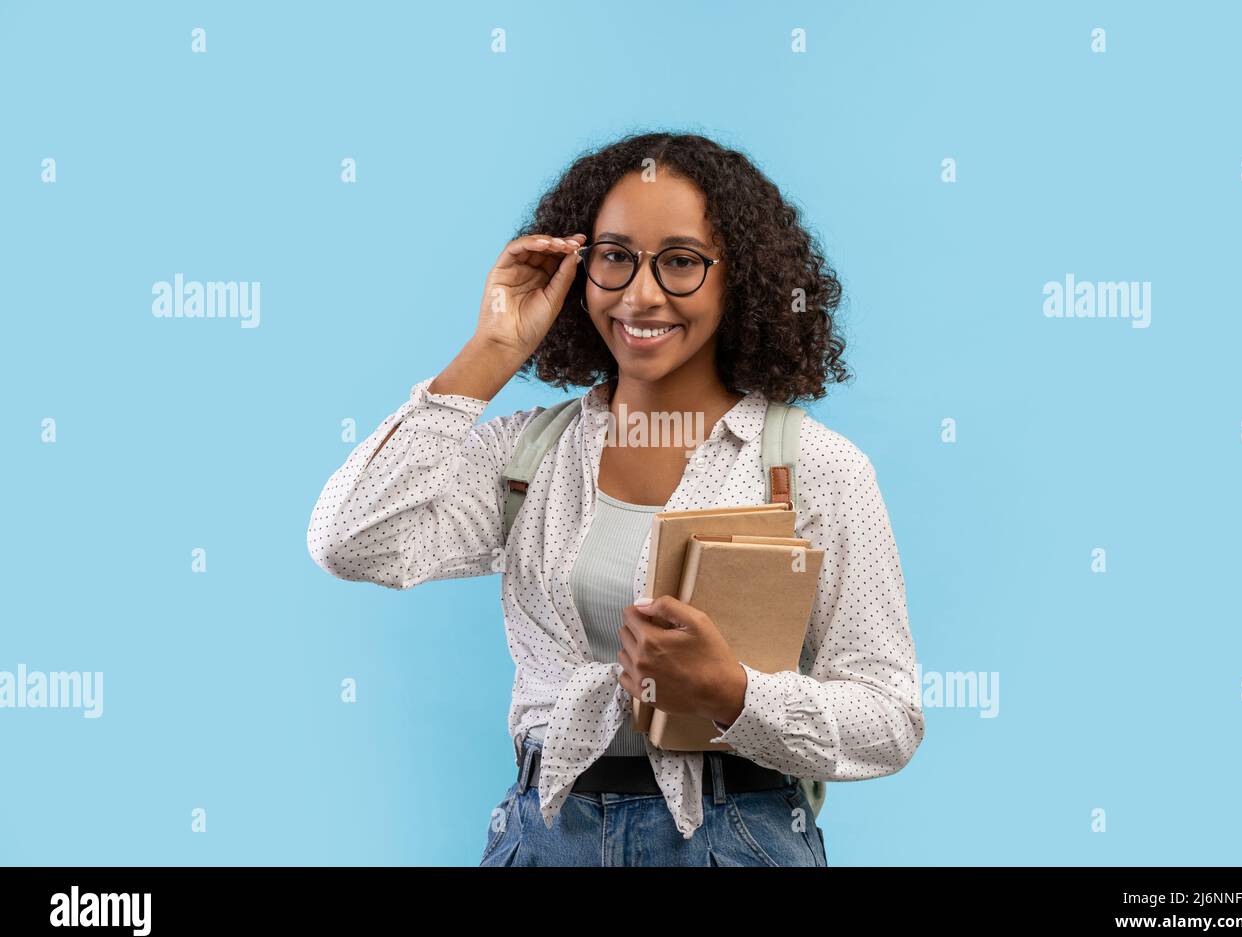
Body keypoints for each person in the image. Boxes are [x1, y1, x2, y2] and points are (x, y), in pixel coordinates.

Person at [306, 131, 925, 866]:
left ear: (744, 279)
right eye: (614, 257)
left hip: (736, 838)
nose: (641, 293)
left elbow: (889, 719)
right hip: (545, 835)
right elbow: (351, 541)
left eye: (681, 262)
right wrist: (495, 350)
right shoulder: (527, 457)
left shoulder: (815, 469)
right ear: (578, 268)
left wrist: (731, 693)